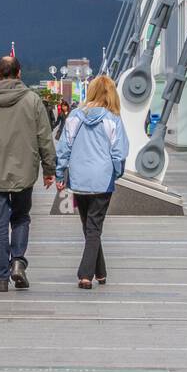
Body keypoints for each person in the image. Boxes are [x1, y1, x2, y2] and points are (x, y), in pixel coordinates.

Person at [0, 55, 55, 293]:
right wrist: (49, 169)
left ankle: (1, 278)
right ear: (19, 73)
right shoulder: (33, 100)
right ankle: (17, 261)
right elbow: (44, 137)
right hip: (25, 171)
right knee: (21, 217)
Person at [56, 75, 129, 290]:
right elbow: (119, 153)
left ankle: (101, 272)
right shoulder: (113, 119)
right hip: (102, 179)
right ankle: (85, 275)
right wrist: (116, 173)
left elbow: (64, 148)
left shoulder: (75, 116)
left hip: (79, 179)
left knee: (89, 226)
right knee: (94, 227)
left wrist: (60, 174)